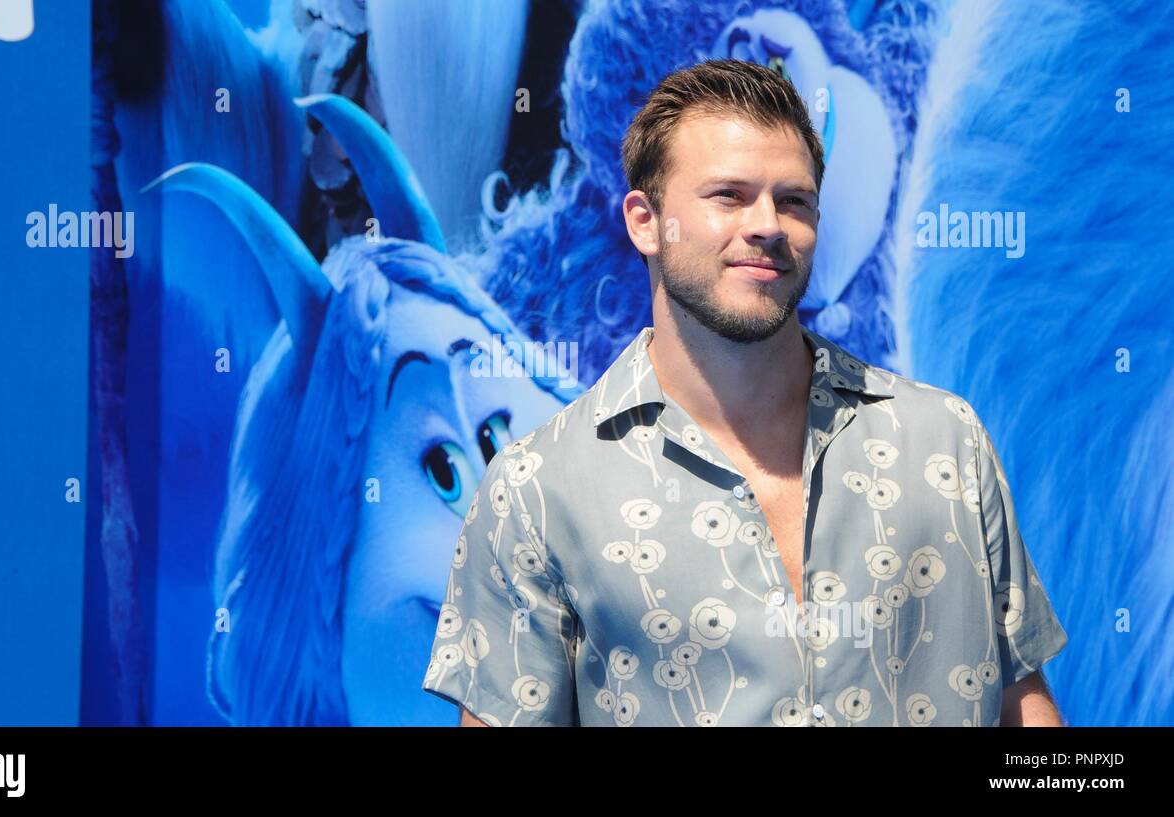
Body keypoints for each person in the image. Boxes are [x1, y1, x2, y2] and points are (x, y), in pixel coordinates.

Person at [420, 58, 1068, 727]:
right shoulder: (537, 489)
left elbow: (1023, 707)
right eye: (729, 195)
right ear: (645, 221)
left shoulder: (946, 442)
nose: (768, 224)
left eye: (794, 201)